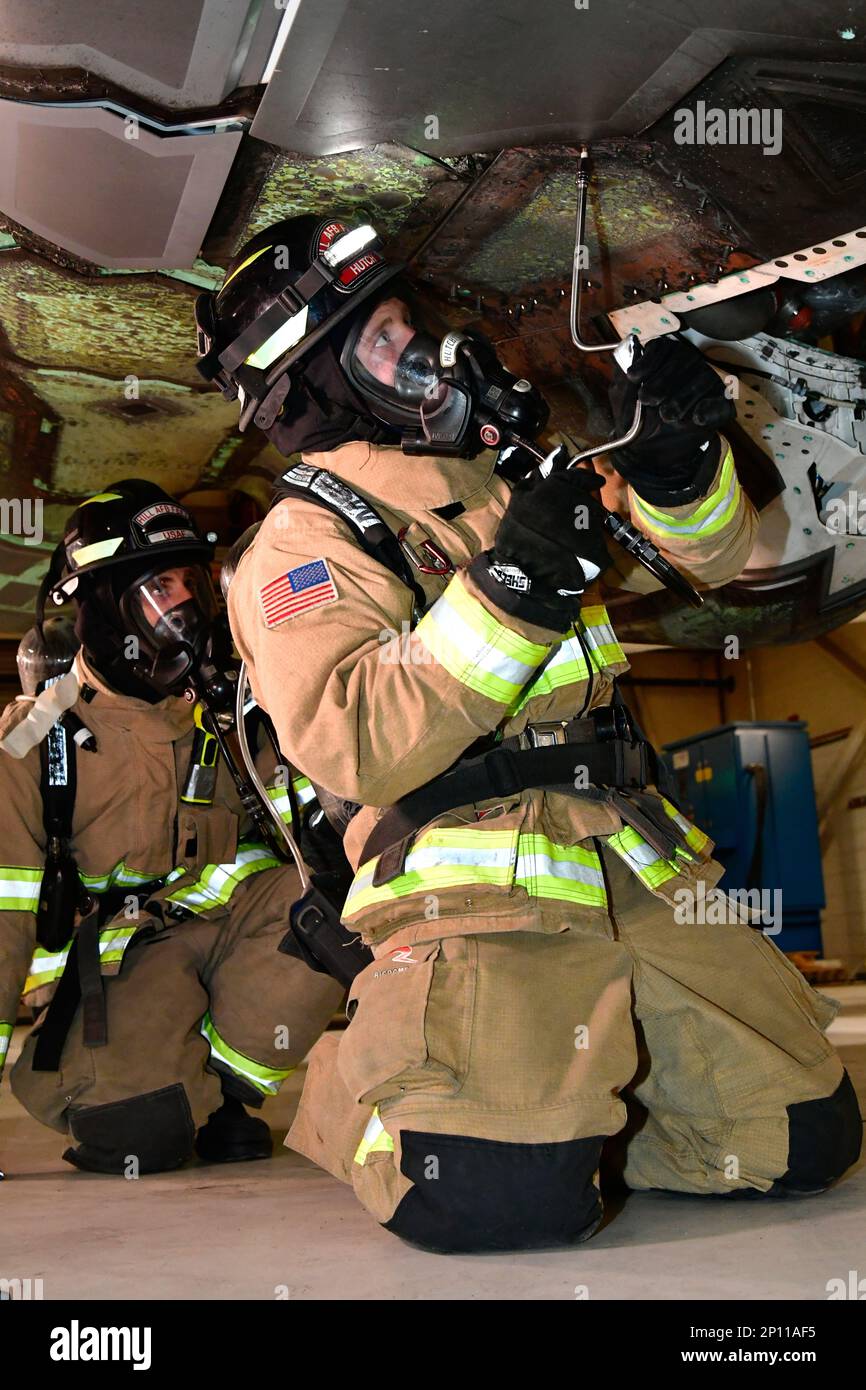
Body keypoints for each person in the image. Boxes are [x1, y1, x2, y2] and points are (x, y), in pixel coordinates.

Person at [196, 215, 861, 1251]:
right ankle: (359, 1103)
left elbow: (708, 560)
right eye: (380, 335)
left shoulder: (505, 476)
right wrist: (514, 584)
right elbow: (354, 741)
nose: (417, 343)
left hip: (627, 851)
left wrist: (679, 469)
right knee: (482, 1202)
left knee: (801, 1138)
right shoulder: (304, 533)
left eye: (407, 317)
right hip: (478, 880)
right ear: (314, 381)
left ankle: (577, 1128)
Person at [0, 480, 343, 1174]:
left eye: (191, 588)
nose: (182, 614)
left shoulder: (233, 719)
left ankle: (224, 1101)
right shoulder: (35, 740)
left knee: (339, 894)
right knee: (138, 1142)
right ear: (98, 608)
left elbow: (319, 836)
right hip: (107, 977)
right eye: (158, 593)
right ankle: (129, 1088)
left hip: (215, 942)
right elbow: (2, 921)